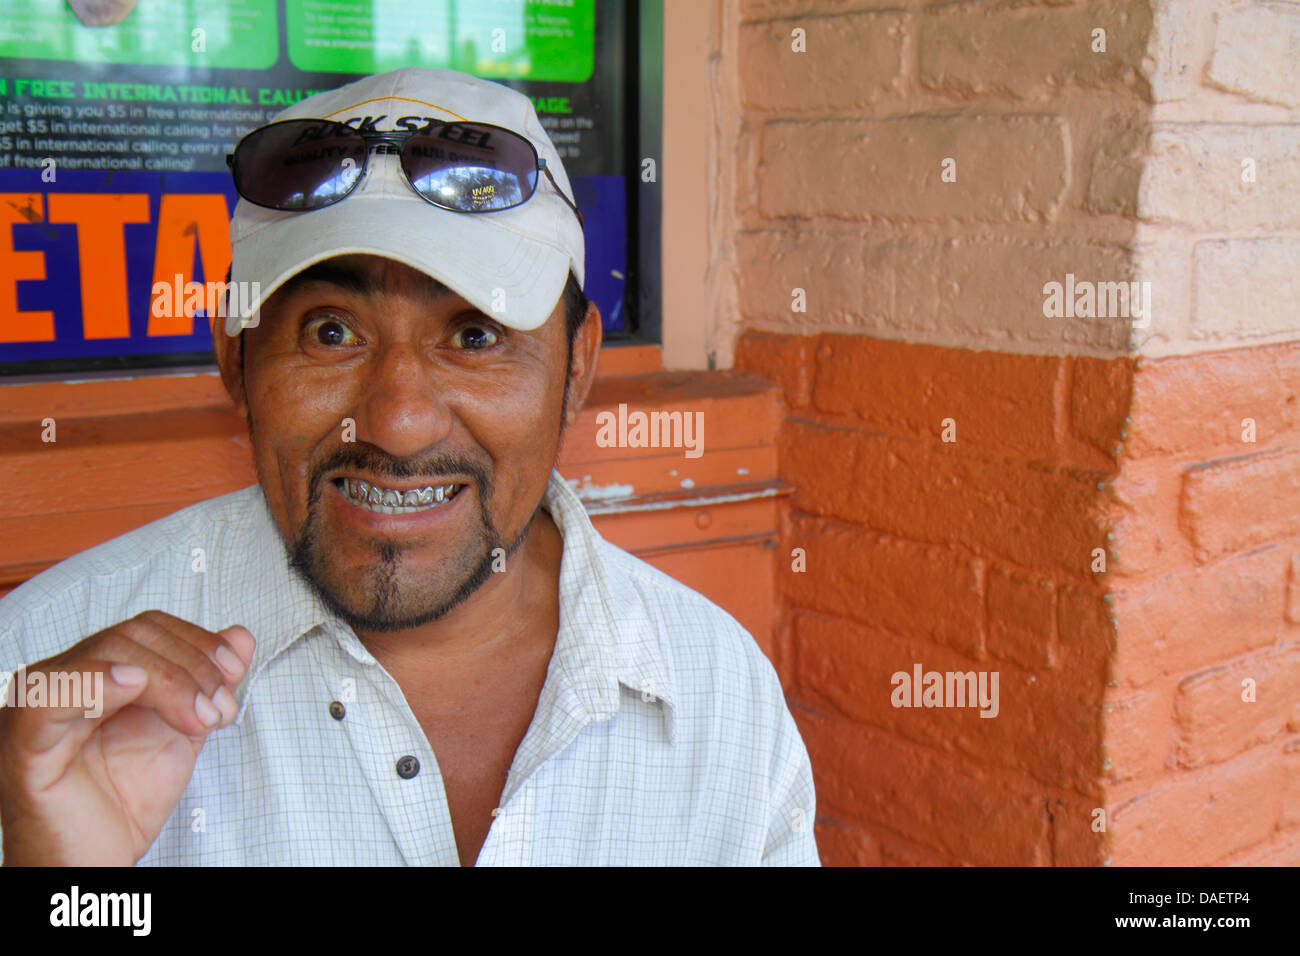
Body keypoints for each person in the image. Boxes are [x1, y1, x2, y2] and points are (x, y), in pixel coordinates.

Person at [0, 67, 818, 866]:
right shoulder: (37, 678)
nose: (396, 424)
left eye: (474, 336)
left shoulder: (719, 697)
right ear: (234, 359)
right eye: (330, 332)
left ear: (576, 367)